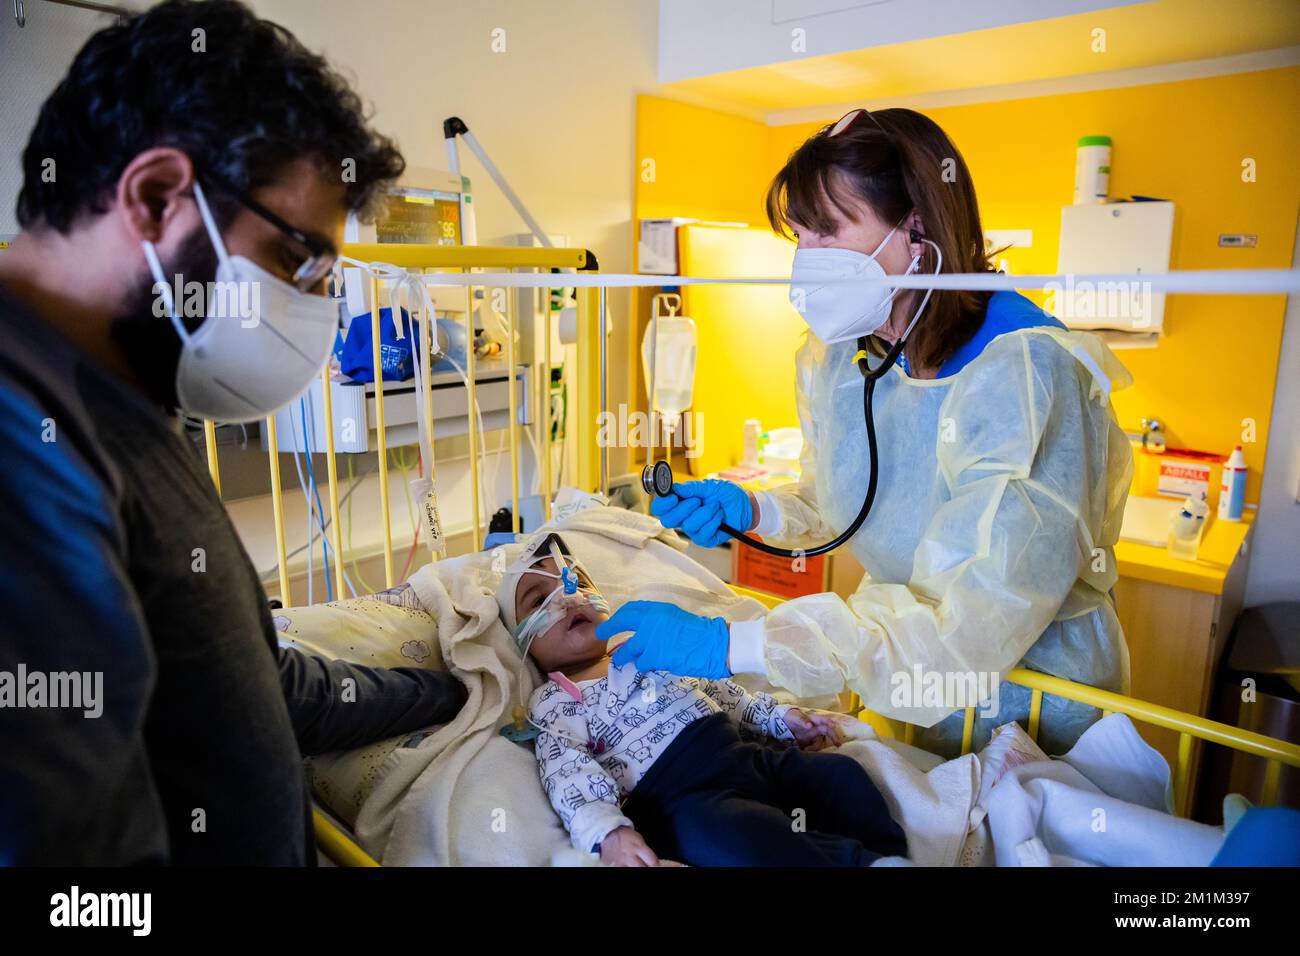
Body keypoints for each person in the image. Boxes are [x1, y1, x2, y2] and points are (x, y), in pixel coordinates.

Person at [0, 0, 467, 864]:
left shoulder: (129, 393)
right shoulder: (27, 441)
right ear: (154, 196)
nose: (318, 308)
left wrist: (451, 688)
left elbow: (240, 676)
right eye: (297, 261)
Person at [601, 108, 1134, 757]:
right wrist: (753, 507)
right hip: (910, 688)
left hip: (1036, 710)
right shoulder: (845, 357)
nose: (806, 261)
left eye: (827, 233)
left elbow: (963, 631)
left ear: (916, 228)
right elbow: (845, 502)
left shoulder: (1028, 375)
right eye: (799, 235)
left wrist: (729, 644)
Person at [498, 532, 906, 867]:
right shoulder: (552, 702)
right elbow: (567, 773)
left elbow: (718, 691)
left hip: (745, 754)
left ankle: (887, 855)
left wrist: (781, 720)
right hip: (684, 799)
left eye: (578, 581)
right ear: (521, 643)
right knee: (741, 840)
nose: (569, 595)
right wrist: (609, 834)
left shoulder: (645, 647)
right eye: (539, 600)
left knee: (840, 777)